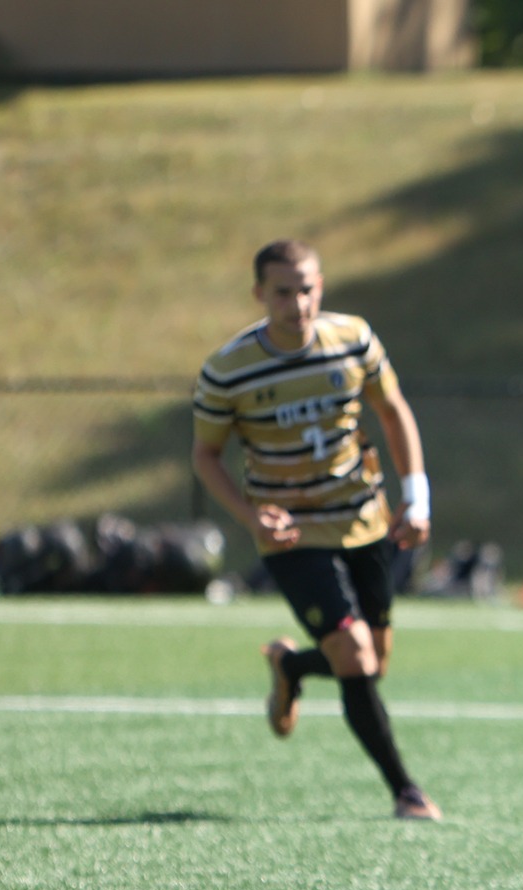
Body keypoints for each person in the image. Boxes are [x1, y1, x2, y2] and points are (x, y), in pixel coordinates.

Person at [190, 239, 443, 822]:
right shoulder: (228, 369)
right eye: (283, 292)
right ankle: (405, 791)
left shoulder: (353, 339)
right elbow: (205, 456)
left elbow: (393, 410)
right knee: (354, 656)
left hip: (363, 518)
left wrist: (417, 498)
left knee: (373, 660)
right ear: (260, 294)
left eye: (306, 289)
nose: (297, 303)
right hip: (292, 535)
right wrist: (251, 516)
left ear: (320, 286)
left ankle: (292, 666)